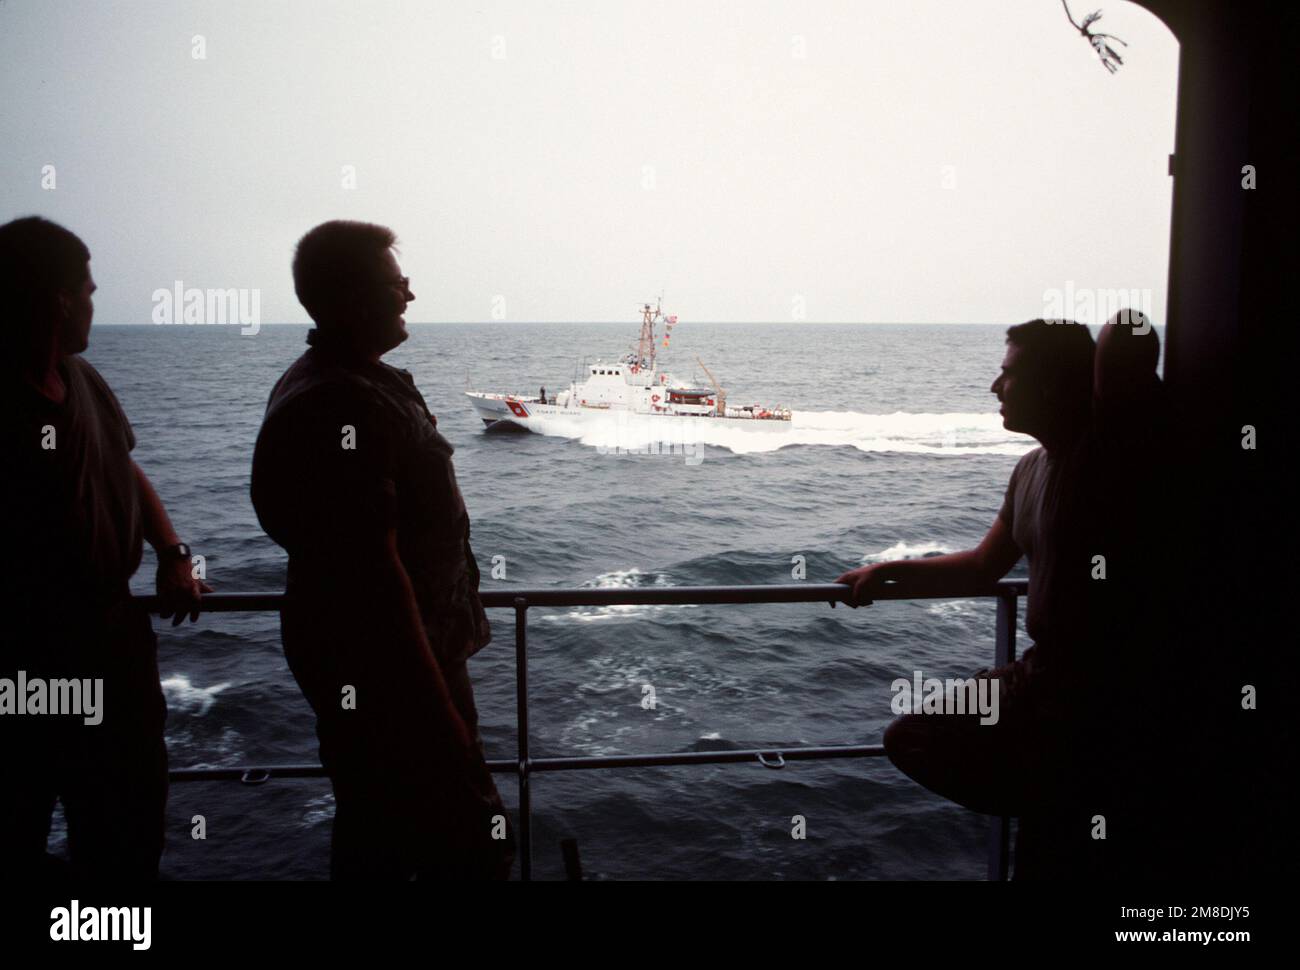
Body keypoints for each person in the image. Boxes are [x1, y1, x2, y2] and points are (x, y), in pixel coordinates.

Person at [837, 315, 1177, 878]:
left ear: (1054, 383)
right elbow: (980, 568)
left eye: (1010, 374)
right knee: (914, 735)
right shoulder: (1028, 471)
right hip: (1038, 678)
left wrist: (1087, 365)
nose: (996, 387)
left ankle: (1068, 802)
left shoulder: (1112, 450)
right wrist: (890, 571)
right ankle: (1062, 799)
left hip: (1108, 691)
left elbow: (1130, 330)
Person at [251, 220, 513, 880]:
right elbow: (375, 582)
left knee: (378, 828)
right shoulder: (342, 404)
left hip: (394, 669)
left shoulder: (344, 381)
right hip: (398, 680)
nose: (410, 296)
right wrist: (443, 724)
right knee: (457, 844)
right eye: (398, 284)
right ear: (351, 294)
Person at [0, 216, 209, 879]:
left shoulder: (83, 379)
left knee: (128, 825)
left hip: (113, 639)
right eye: (90, 290)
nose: (96, 302)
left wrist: (172, 553)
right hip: (28, 656)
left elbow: (125, 466)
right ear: (61, 300)